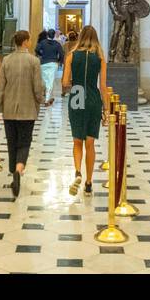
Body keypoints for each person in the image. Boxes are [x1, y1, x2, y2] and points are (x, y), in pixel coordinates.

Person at [0, 30, 45, 198]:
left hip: (9, 110)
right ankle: (18, 169)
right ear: (25, 42)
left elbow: (1, 87)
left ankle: (13, 172)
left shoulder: (7, 61)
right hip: (27, 110)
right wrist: (41, 100)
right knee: (24, 142)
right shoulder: (34, 61)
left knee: (11, 142)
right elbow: (37, 86)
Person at [61, 26, 106, 195]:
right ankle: (88, 182)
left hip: (77, 96)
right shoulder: (100, 57)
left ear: (80, 37)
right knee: (90, 142)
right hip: (93, 98)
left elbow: (65, 83)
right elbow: (102, 86)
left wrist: (75, 82)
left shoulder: (72, 55)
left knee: (77, 140)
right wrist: (107, 109)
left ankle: (78, 171)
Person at [37, 29, 64, 107]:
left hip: (43, 63)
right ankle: (46, 100)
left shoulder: (42, 42)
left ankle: (48, 97)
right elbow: (61, 54)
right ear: (54, 35)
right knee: (50, 81)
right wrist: (59, 61)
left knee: (46, 81)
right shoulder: (57, 44)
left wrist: (41, 55)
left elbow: (37, 49)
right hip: (53, 63)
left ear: (47, 35)